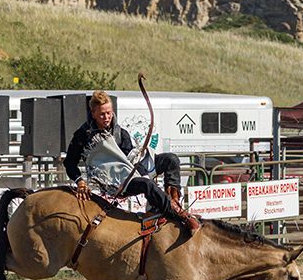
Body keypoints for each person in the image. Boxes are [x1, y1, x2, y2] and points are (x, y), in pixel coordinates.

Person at [63, 90, 200, 234]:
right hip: (111, 181)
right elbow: (70, 163)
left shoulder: (119, 132)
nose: (107, 117)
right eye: (102, 114)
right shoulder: (83, 135)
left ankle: (172, 202)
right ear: (93, 113)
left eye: (109, 113)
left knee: (171, 159)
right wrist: (80, 181)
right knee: (146, 184)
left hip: (129, 172)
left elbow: (131, 158)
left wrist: (142, 170)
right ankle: (179, 215)